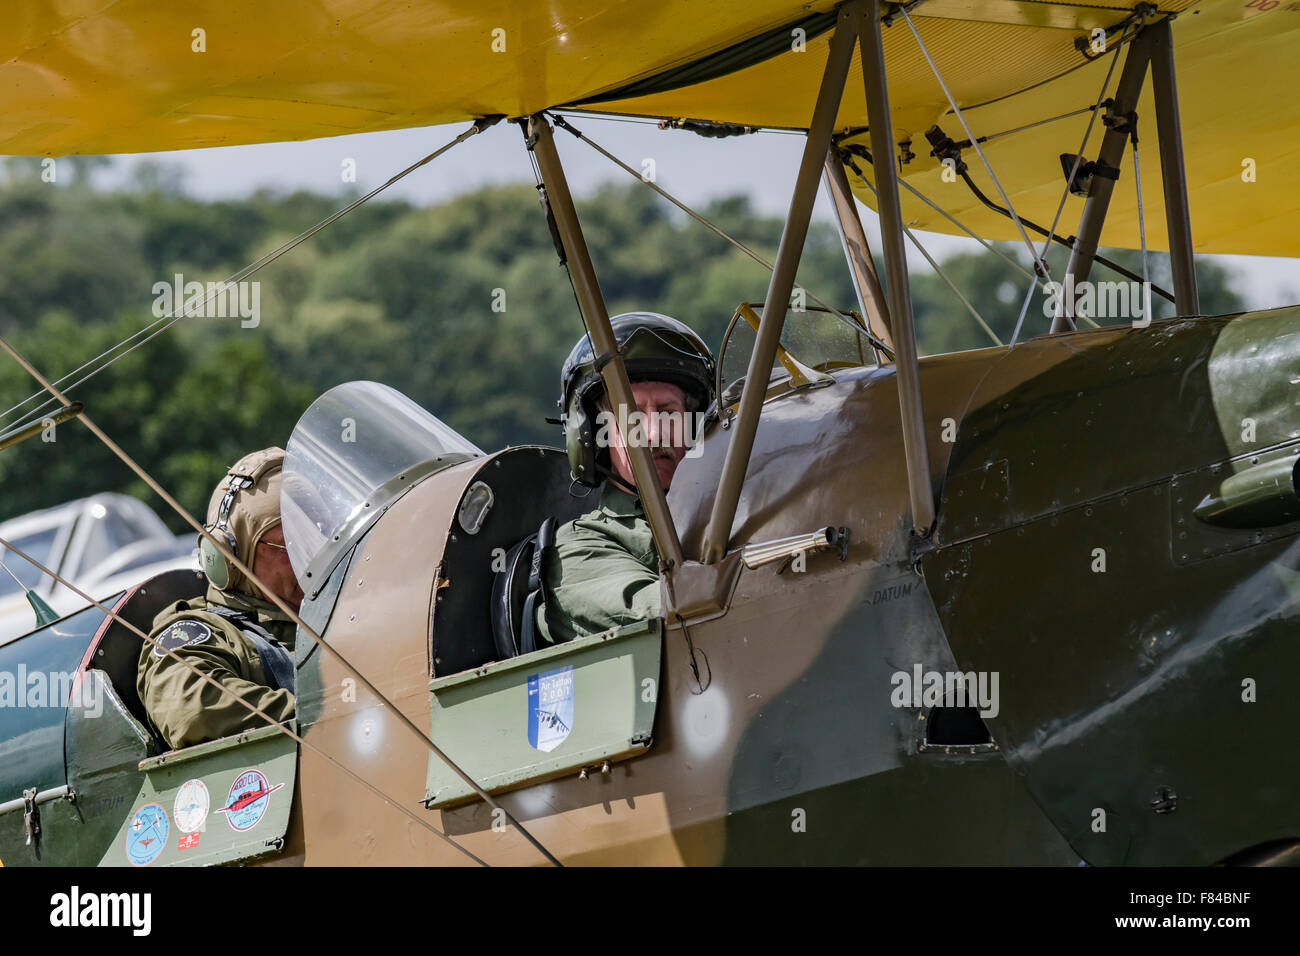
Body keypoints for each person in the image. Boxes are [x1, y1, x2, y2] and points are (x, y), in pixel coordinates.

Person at [534, 312, 715, 646]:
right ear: (593, 436)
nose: (655, 432)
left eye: (668, 412)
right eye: (632, 416)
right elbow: (674, 615)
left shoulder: (733, 515)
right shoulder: (577, 550)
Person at [137, 447, 303, 750]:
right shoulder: (201, 635)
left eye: (319, 534)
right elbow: (191, 709)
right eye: (290, 543)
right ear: (229, 558)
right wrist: (331, 710)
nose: (310, 555)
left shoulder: (344, 607)